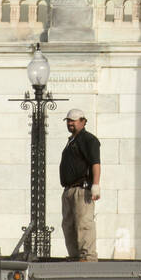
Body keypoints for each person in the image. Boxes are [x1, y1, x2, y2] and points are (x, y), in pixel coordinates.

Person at [59, 108, 101, 261]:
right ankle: (75, 256)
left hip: (82, 189)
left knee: (84, 224)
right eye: (68, 121)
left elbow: (95, 163)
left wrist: (96, 185)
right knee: (68, 225)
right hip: (69, 189)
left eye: (74, 120)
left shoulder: (89, 139)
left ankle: (87, 257)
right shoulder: (72, 141)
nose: (70, 123)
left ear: (83, 121)